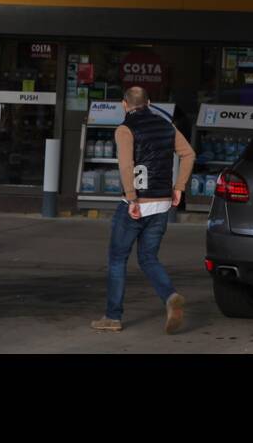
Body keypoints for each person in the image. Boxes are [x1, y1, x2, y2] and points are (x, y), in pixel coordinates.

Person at [91, 86, 195, 334]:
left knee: (117, 260)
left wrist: (132, 200)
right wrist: (179, 187)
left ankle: (113, 317)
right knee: (148, 258)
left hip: (136, 203)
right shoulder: (166, 126)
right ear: (148, 103)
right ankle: (170, 296)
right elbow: (189, 154)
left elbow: (127, 166)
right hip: (161, 204)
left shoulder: (125, 129)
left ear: (124, 105)